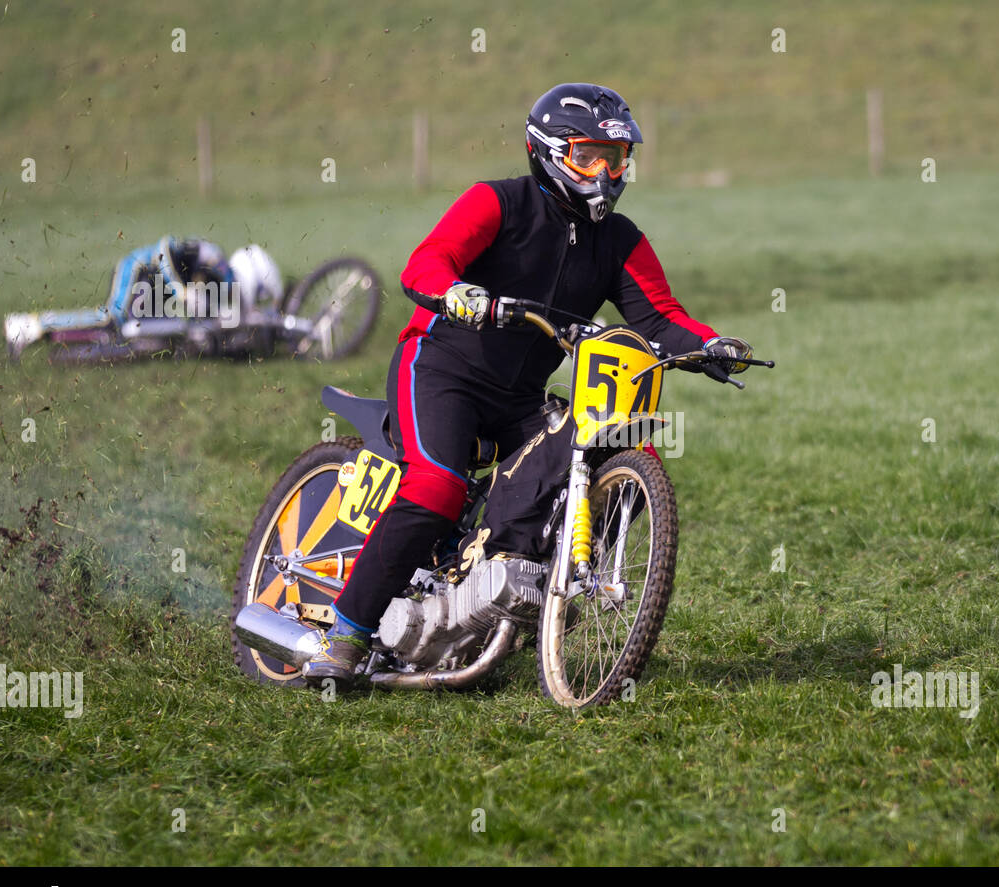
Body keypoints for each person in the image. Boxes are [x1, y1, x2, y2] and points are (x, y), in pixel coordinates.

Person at [303, 82, 753, 688]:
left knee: (597, 447)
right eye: (588, 156)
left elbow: (660, 319)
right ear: (547, 151)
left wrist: (709, 343)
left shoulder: (621, 240)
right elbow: (425, 263)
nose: (605, 173)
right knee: (437, 487)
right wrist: (457, 293)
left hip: (518, 400)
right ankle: (347, 634)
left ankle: (500, 606)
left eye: (616, 159)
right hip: (439, 369)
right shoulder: (497, 202)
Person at [105, 235, 237, 327]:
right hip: (134, 273)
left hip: (155, 292)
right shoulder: (192, 251)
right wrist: (180, 290)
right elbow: (163, 248)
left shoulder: (222, 271)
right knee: (115, 319)